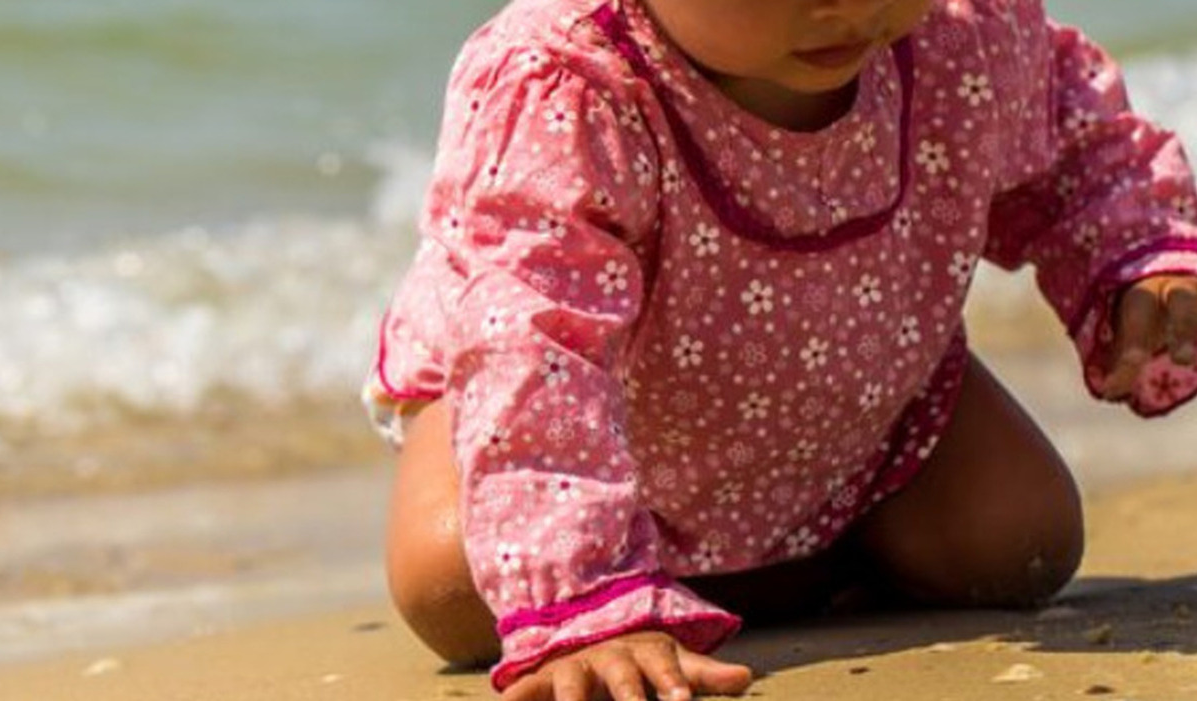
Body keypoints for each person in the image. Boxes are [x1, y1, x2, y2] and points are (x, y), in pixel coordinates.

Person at [362, 0, 1197, 698]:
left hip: (868, 403)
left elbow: (1074, 147)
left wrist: (1140, 258)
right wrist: (577, 591)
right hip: (601, 422)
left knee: (1022, 539)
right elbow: (534, 339)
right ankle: (663, 569)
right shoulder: (572, 83)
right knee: (455, 585)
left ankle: (779, 557)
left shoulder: (958, 35)